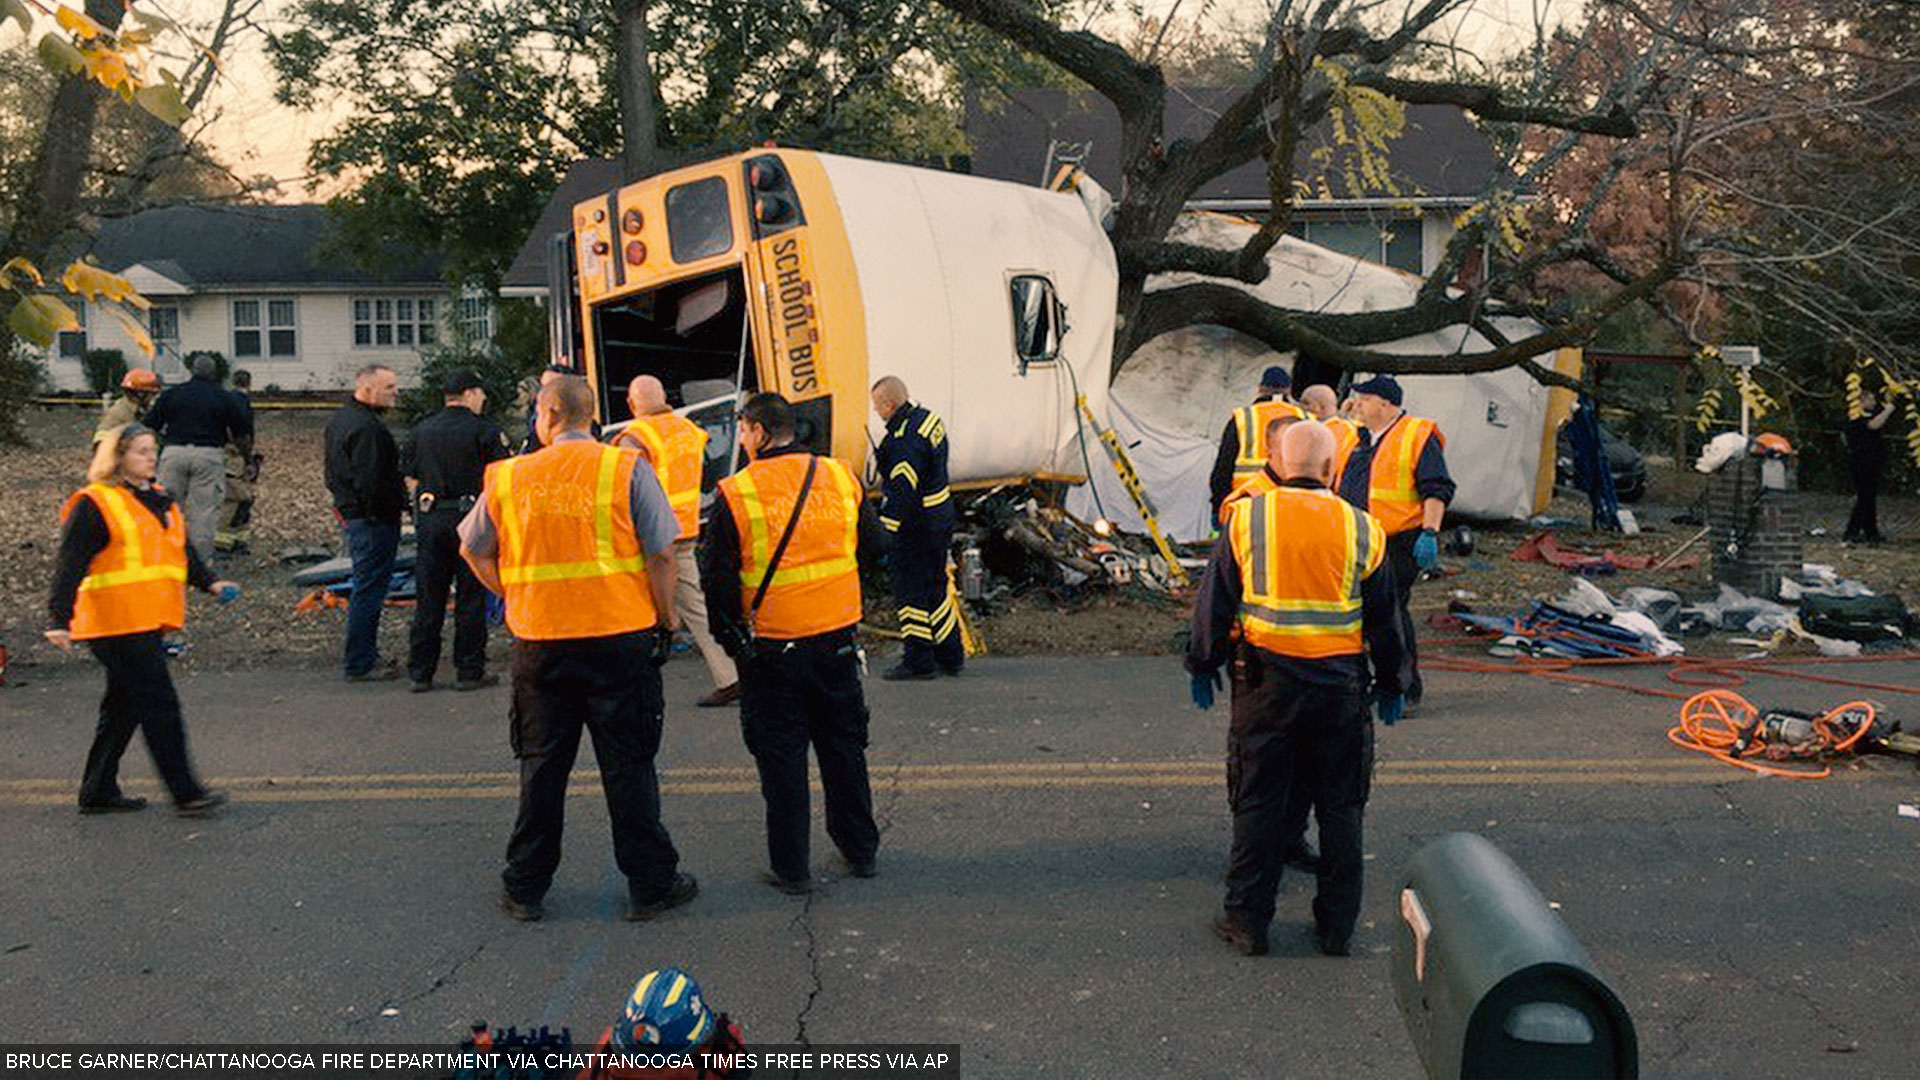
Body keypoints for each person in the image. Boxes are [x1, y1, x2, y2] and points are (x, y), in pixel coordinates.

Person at [460, 375, 696, 923]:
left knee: (542, 768)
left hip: (541, 643)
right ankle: (650, 883)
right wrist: (665, 618)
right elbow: (662, 553)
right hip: (618, 639)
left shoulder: (509, 476)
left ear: (547, 415)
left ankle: (525, 887)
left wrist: (515, 592)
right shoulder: (625, 468)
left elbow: (472, 549)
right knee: (629, 765)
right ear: (591, 416)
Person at [1187, 420, 1406, 958]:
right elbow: (1387, 618)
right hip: (1340, 689)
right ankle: (1335, 929)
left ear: (1279, 465)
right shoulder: (1363, 528)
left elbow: (1214, 600)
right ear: (1332, 471)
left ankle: (1248, 922)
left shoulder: (1247, 518)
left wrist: (1202, 661)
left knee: (1259, 802)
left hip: (1266, 684)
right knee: (1340, 807)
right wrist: (1396, 679)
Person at [700, 392, 879, 893]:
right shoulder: (840, 477)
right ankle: (859, 849)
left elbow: (717, 577)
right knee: (844, 746)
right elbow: (872, 545)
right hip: (837, 638)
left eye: (743, 430)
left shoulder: (737, 493)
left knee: (781, 757)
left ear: (757, 432)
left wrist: (730, 638)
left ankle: (792, 868)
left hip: (772, 647)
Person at [46, 424, 237, 817]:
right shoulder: (96, 503)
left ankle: (97, 790)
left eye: (153, 450)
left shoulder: (159, 499)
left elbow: (179, 553)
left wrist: (211, 583)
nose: (151, 458)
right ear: (117, 458)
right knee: (159, 704)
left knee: (124, 706)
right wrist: (58, 618)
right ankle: (186, 793)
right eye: (140, 452)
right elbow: (70, 564)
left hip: (144, 620)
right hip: (114, 623)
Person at [615, 375, 739, 707]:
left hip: (649, 537)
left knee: (631, 605)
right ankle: (731, 674)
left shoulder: (636, 437)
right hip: (685, 528)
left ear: (631, 404)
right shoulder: (689, 430)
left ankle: (627, 684)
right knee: (695, 605)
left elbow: (627, 487)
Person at [1336, 375, 1453, 714]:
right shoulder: (1357, 439)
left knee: (1389, 612)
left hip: (1399, 540)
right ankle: (1375, 683)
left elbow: (1436, 487)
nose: (1357, 405)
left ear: (1385, 404)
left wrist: (1430, 532)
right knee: (1362, 614)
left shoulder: (1416, 435)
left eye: (1364, 399)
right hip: (1358, 540)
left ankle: (1403, 688)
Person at [402, 368, 510, 692]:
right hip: (471, 519)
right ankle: (469, 670)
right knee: (471, 597)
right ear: (469, 394)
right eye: (480, 394)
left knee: (429, 596)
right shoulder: (485, 431)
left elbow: (408, 474)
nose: (484, 399)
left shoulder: (422, 430)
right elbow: (502, 477)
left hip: (431, 518)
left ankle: (421, 672)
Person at [869, 375, 962, 680]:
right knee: (935, 587)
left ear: (889, 404)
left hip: (916, 525)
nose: (877, 412)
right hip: (940, 517)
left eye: (878, 406)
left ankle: (918, 659)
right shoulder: (927, 419)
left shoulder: (903, 442)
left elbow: (901, 491)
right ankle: (950, 653)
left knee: (910, 592)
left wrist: (885, 532)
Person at [324, 363, 407, 682]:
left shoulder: (341, 421)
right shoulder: (367, 429)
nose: (395, 392)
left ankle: (363, 656)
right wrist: (383, 510)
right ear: (368, 388)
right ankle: (360, 661)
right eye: (389, 387)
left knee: (366, 587)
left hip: (355, 514)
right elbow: (371, 479)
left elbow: (333, 472)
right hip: (372, 519)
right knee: (369, 589)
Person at [142, 354, 252, 563]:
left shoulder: (172, 394)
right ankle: (200, 564)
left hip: (173, 453)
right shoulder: (223, 397)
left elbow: (149, 426)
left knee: (167, 507)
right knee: (204, 512)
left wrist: (150, 455)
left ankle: (164, 557)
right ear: (215, 373)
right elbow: (241, 434)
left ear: (191, 371)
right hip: (208, 455)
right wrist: (248, 459)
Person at [1209, 365, 1305, 518]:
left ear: (1261, 388)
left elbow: (1223, 467)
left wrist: (1218, 504)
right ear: (1288, 390)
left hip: (1243, 504)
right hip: (1291, 508)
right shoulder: (1306, 419)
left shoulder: (1243, 417)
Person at [215, 369, 262, 555]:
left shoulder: (225, 399)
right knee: (236, 499)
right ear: (249, 383)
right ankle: (223, 544)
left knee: (240, 500)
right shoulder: (241, 403)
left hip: (226, 453)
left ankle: (237, 540)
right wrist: (249, 459)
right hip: (235, 457)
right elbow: (243, 433)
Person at [1845, 386, 1897, 544]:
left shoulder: (1869, 413)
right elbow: (1874, 425)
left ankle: (1870, 531)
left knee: (1870, 498)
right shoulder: (1855, 418)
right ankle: (1851, 532)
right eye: (1870, 399)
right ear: (1861, 401)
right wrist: (1888, 411)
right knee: (1864, 498)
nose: (1874, 402)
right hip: (1860, 462)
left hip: (1872, 461)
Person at [1299, 383, 1360, 472]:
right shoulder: (1348, 427)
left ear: (1321, 407)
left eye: (1306, 403)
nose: (1300, 407)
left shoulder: (1334, 430)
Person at [94, 368, 161, 444]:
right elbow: (102, 436)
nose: (153, 397)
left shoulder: (142, 409)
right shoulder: (120, 412)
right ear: (141, 394)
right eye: (152, 393)